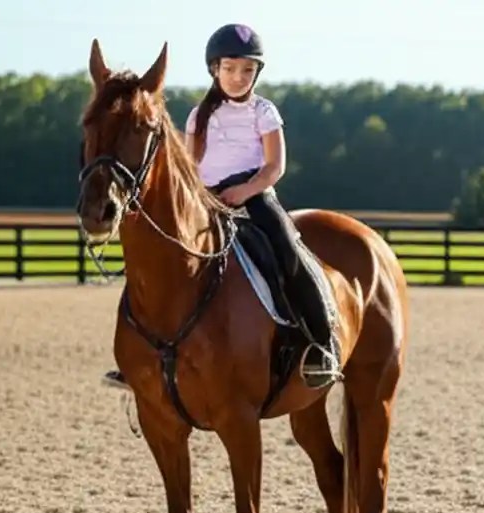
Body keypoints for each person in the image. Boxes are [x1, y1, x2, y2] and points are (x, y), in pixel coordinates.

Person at [103, 22, 341, 391]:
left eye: (247, 70)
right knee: (159, 258)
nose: (238, 77)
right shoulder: (200, 115)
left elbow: (274, 166)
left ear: (257, 73)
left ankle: (320, 343)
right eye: (230, 69)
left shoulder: (264, 111)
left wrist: (245, 191)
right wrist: (200, 196)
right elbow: (190, 165)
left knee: (288, 249)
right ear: (215, 69)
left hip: (255, 196)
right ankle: (138, 356)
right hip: (207, 198)